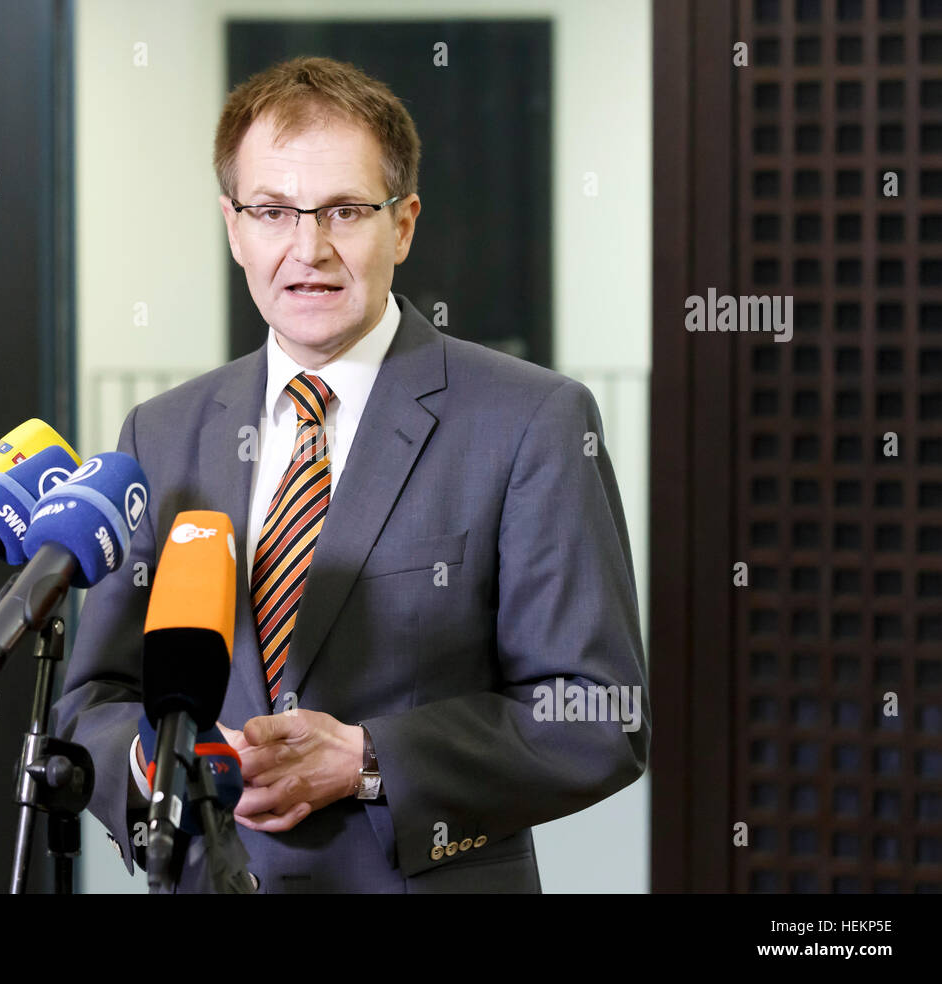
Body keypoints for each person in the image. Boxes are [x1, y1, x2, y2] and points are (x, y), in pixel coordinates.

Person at [52, 55, 649, 893]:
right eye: (273, 211)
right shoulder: (163, 432)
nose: (310, 249)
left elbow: (598, 715)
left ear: (402, 225)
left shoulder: (532, 421)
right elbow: (93, 700)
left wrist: (369, 759)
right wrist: (162, 766)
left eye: (345, 211)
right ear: (233, 227)